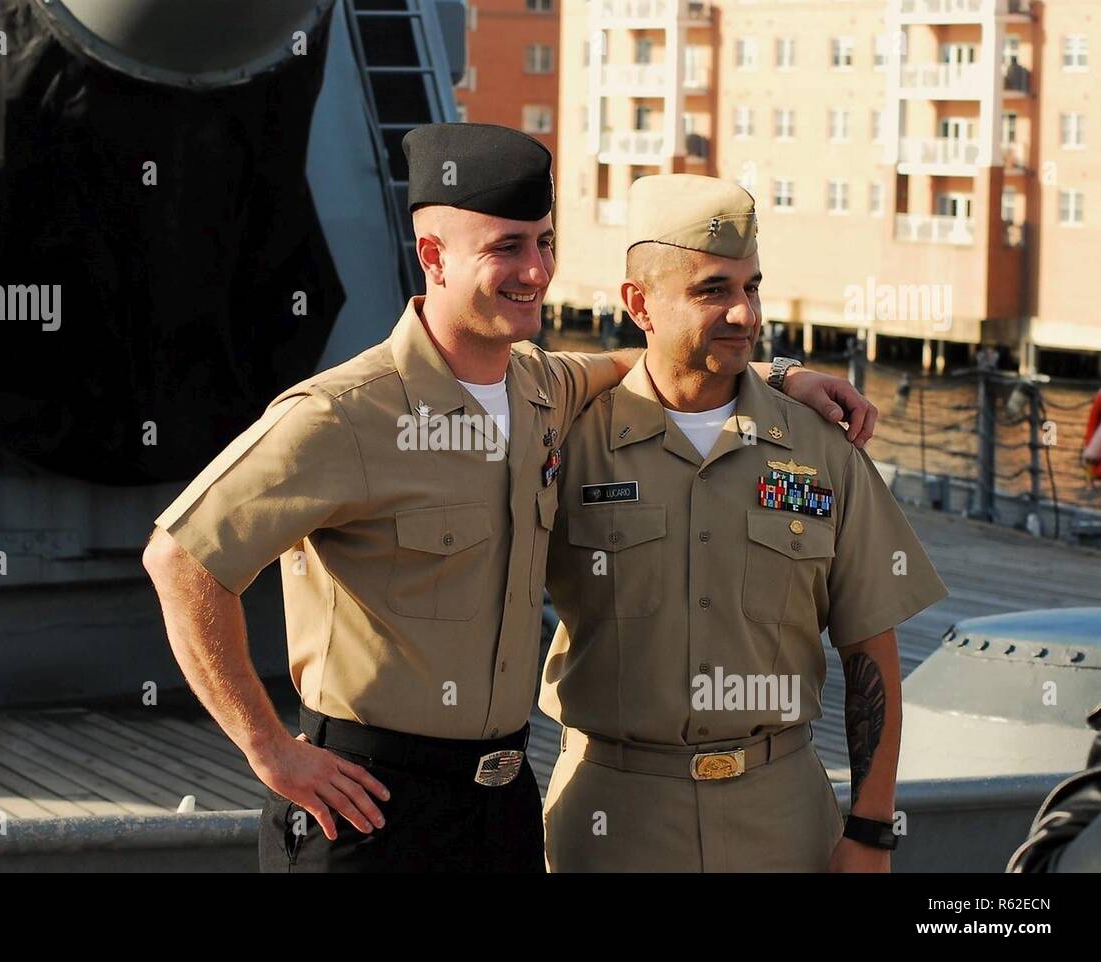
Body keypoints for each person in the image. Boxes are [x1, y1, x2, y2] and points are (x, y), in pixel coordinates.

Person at [142, 127, 878, 872]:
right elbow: (180, 559)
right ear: (434, 256)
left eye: (546, 242)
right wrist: (269, 750)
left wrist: (781, 377)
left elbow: (657, 358)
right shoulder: (344, 414)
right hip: (365, 810)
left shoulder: (541, 390)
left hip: (502, 806)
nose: (536, 271)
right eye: (506, 248)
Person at [540, 173, 948, 872]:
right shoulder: (568, 441)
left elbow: (870, 650)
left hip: (781, 819)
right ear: (639, 303)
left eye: (751, 286)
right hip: (612, 822)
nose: (744, 312)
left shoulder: (821, 447)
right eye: (713, 291)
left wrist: (872, 833)